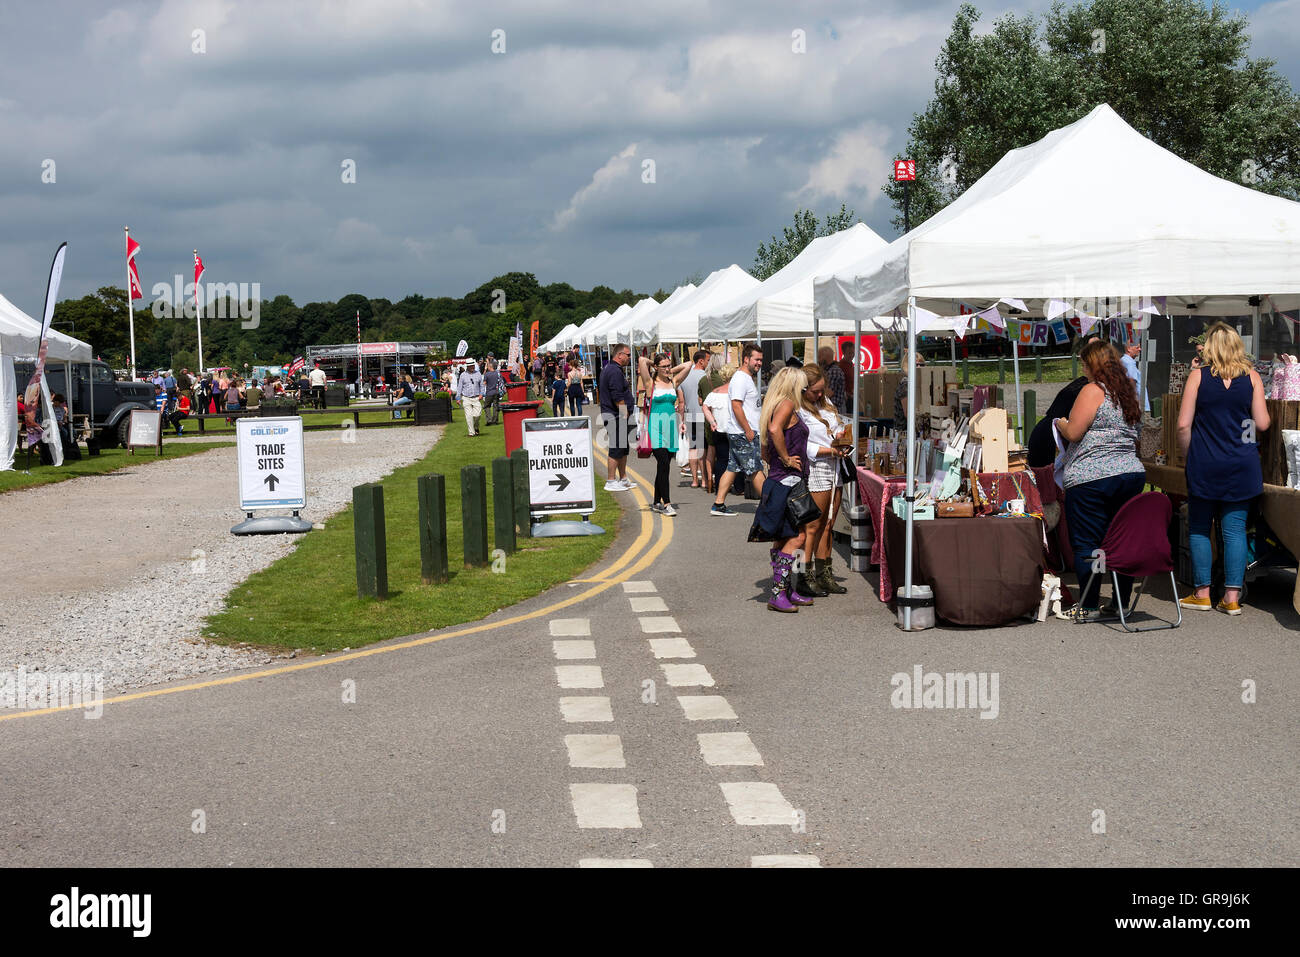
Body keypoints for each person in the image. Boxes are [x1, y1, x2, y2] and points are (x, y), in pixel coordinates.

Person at [1177, 322, 1270, 616]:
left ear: (1210, 347)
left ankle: (1202, 593)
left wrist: (1186, 454)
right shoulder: (1252, 377)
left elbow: (1182, 425)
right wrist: (1241, 431)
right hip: (1241, 464)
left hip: (1205, 462)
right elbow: (1263, 423)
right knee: (1234, 531)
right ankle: (1231, 597)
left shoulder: (1197, 377)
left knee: (1201, 528)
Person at [1055, 340, 1146, 620]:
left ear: (1093, 365)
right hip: (1129, 473)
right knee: (1122, 539)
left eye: (1084, 363)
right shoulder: (1127, 391)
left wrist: (1059, 422)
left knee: (1088, 543)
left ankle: (1090, 603)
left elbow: (1074, 432)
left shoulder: (1092, 390)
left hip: (1091, 476)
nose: (1083, 368)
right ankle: (1121, 601)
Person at [750, 366, 817, 613]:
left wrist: (778, 459)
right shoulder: (787, 403)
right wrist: (787, 458)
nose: (805, 391)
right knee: (798, 536)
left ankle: (786, 590)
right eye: (802, 386)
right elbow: (775, 430)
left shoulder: (774, 404)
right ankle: (779, 593)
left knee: (783, 537)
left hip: (780, 479)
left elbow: (766, 443)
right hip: (787, 479)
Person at [798, 365, 852, 596]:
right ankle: (804, 573)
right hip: (817, 467)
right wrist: (828, 450)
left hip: (835, 467)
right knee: (813, 526)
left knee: (829, 523)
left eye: (822, 390)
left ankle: (824, 572)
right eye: (815, 391)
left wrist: (841, 438)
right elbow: (801, 445)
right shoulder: (798, 410)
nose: (820, 395)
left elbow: (837, 428)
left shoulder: (826, 405)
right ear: (804, 389)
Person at [711, 344, 764, 516]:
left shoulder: (745, 377)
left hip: (739, 432)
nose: (759, 363)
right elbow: (736, 406)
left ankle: (718, 504)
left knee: (732, 467)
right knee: (755, 468)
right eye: (756, 359)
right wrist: (748, 430)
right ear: (746, 359)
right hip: (743, 433)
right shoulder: (741, 378)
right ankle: (772, 507)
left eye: (761, 360)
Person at [637, 352, 686, 516]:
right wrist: (654, 365)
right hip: (655, 428)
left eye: (668, 365)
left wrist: (669, 370)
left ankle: (657, 501)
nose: (667, 368)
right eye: (663, 366)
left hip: (671, 427)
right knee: (663, 463)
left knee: (664, 467)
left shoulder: (674, 381)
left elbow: (689, 365)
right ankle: (667, 504)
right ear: (656, 367)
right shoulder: (650, 383)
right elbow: (641, 360)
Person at [599, 344, 635, 492]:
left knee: (622, 448)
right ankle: (611, 480)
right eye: (627, 354)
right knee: (616, 448)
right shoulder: (614, 371)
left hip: (616, 415)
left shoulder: (612, 369)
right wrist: (624, 412)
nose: (629, 358)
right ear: (619, 355)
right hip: (615, 415)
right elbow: (617, 395)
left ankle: (623, 478)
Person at [702, 365, 736, 496]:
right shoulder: (736, 392)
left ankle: (720, 487)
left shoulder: (715, 392)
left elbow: (705, 407)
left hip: (719, 429)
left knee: (721, 459)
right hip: (734, 429)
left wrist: (712, 421)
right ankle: (738, 486)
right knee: (736, 459)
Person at [680, 350, 709, 489]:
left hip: (689, 415)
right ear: (701, 361)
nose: (708, 363)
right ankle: (704, 480)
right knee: (702, 449)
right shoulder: (705, 376)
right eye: (708, 360)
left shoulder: (684, 376)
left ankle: (694, 480)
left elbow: (681, 402)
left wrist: (681, 420)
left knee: (693, 448)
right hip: (703, 415)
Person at [893, 349, 925, 434]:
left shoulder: (917, 383)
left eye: (922, 365)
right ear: (908, 366)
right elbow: (908, 414)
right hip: (904, 433)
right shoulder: (906, 385)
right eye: (916, 365)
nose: (919, 367)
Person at [1120, 341, 1151, 413]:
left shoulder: (1123, 361)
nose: (1140, 349)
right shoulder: (1129, 363)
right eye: (1137, 347)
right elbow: (1132, 382)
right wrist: (1135, 404)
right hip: (1139, 406)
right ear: (1129, 349)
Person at [456, 360, 485, 435]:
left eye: (473, 365)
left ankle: (476, 427)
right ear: (467, 366)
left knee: (477, 415)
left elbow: (482, 385)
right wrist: (458, 398)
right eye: (471, 366)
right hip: (466, 398)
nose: (473, 367)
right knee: (469, 416)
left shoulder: (478, 374)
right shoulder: (463, 375)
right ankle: (471, 433)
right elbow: (459, 387)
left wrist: (481, 394)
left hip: (476, 398)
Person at [818, 346, 849, 416]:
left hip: (834, 410)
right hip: (832, 409)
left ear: (825, 357)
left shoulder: (833, 371)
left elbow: (828, 393)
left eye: (819, 357)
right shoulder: (829, 370)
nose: (818, 360)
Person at [482, 360, 503, 425]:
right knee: (495, 406)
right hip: (496, 391)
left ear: (489, 367)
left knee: (486, 406)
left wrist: (485, 370)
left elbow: (484, 383)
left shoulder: (487, 374)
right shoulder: (497, 373)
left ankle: (489, 420)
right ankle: (495, 420)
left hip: (489, 392)